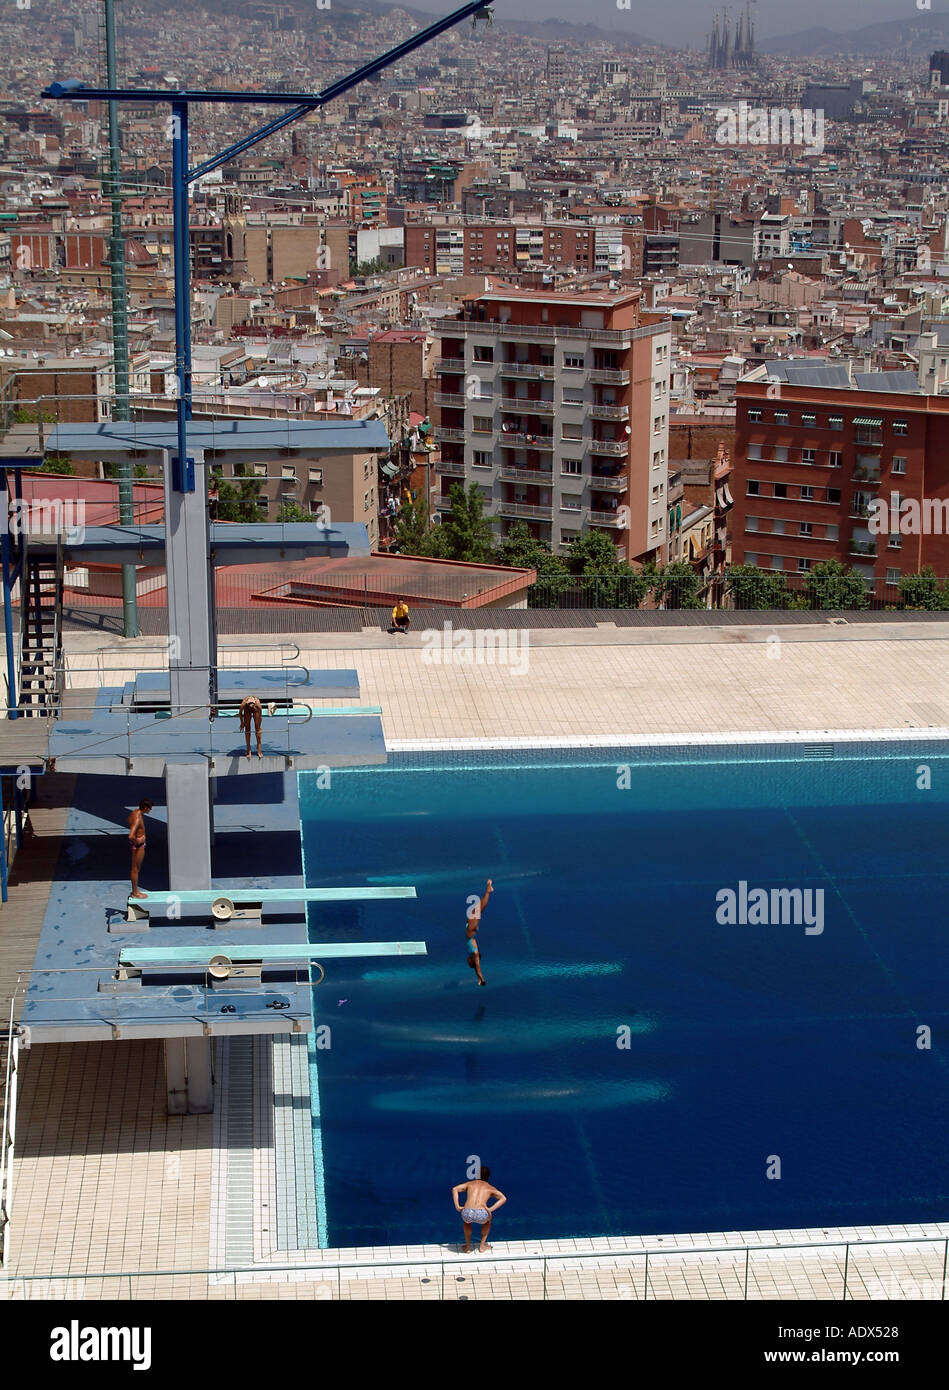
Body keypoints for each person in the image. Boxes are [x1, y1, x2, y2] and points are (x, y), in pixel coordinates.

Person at [452, 1166, 507, 1253]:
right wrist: (490, 1209)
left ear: (477, 1175)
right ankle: (481, 1246)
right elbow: (503, 1198)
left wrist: (457, 1206)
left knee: (466, 1222)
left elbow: (455, 1189)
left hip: (467, 1212)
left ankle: (467, 1247)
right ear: (488, 1177)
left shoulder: (469, 1184)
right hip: (481, 1213)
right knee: (488, 1221)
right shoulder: (490, 1187)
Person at [465, 878, 493, 987]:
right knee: (478, 910)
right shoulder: (475, 955)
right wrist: (481, 980)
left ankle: (488, 891)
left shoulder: (473, 954)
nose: (466, 961)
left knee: (479, 908)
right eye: (468, 963)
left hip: (470, 929)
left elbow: (476, 969)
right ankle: (488, 890)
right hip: (471, 931)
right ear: (472, 961)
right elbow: (478, 969)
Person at [127, 799, 152, 899]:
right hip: (138, 846)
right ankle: (135, 893)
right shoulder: (138, 818)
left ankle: (135, 891)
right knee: (135, 869)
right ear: (145, 808)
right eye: (149, 808)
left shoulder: (135, 812)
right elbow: (130, 835)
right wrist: (138, 840)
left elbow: (128, 820)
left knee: (135, 868)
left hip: (136, 844)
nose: (150, 810)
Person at [238, 695, 263, 759]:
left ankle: (259, 748)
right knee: (247, 729)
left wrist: (259, 726)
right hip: (247, 710)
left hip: (256, 710)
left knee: (258, 730)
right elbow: (240, 713)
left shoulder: (258, 705)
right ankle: (248, 749)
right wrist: (242, 723)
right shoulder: (244, 704)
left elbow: (260, 717)